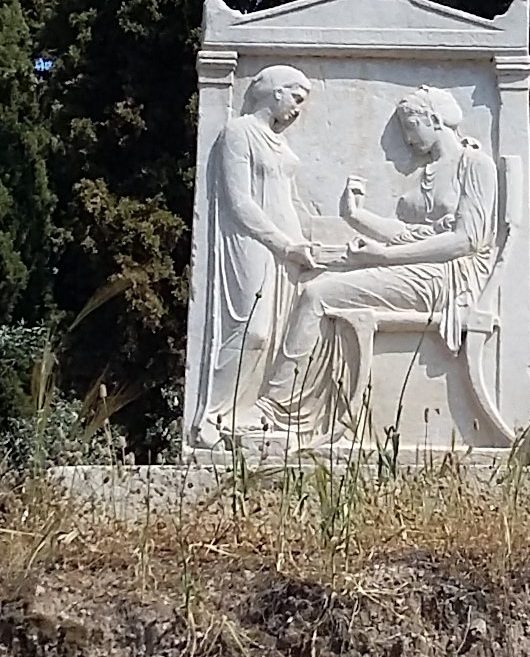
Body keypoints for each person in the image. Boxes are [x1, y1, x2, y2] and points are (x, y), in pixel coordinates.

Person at [267, 87, 510, 441]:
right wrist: (356, 216)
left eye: (410, 125)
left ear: (434, 119)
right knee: (323, 277)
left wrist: (385, 257)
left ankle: (277, 408)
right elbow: (410, 234)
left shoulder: (476, 165)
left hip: (452, 280)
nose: (407, 137)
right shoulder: (430, 171)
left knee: (317, 294)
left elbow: (465, 240)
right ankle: (307, 409)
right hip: (423, 268)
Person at [193, 66, 327, 446]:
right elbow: (240, 202)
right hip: (251, 241)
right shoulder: (239, 133)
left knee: (275, 335)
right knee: (252, 330)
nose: (298, 109)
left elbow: (288, 198)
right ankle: (213, 414)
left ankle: (242, 411)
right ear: (276, 92)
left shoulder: (279, 142)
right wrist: (284, 244)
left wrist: (306, 241)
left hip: (288, 249)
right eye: (296, 99)